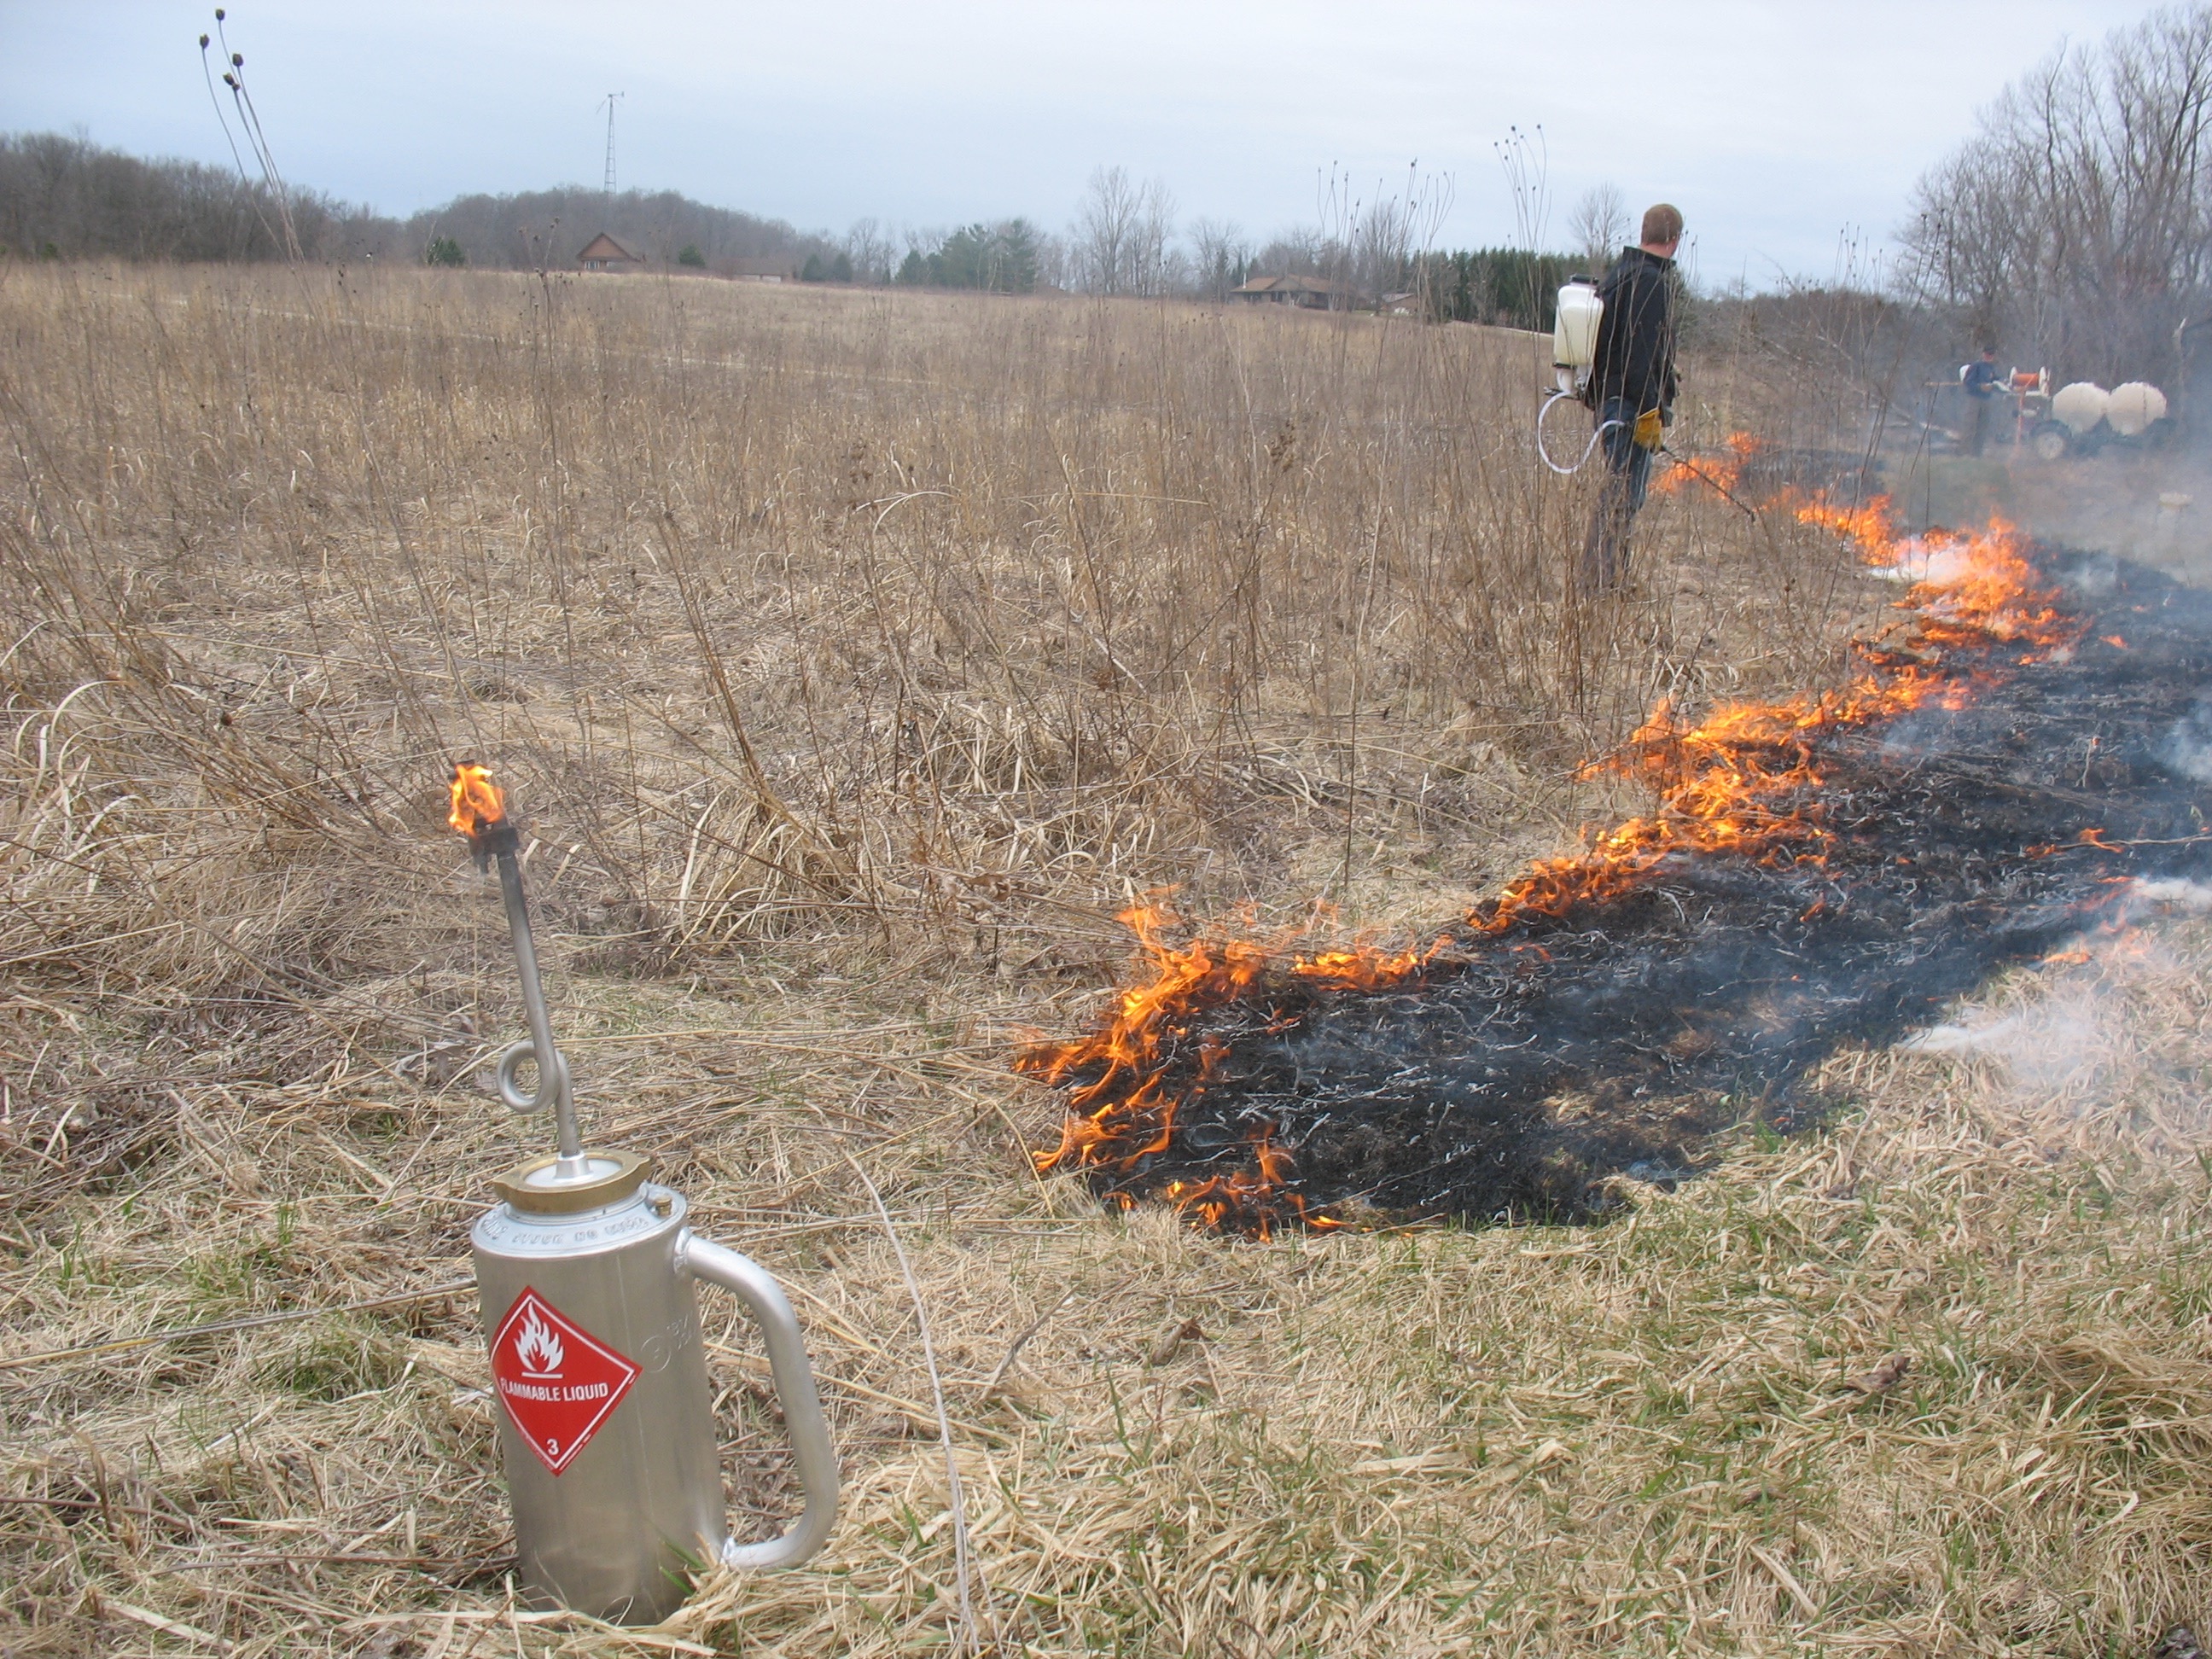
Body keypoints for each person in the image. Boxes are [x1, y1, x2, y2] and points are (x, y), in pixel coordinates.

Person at [1580, 203, 1684, 595]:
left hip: (1612, 402)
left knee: (1619, 494)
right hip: (1629, 407)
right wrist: (1652, 410)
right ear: (1675, 240)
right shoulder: (1650, 283)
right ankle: (1602, 584)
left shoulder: (1619, 276)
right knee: (1624, 495)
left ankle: (1605, 578)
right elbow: (1644, 354)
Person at [1962, 345, 2000, 455]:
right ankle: (1965, 452)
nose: (1989, 356)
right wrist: (1980, 387)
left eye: (1991, 354)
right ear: (1983, 354)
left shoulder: (1991, 368)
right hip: (1974, 399)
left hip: (1986, 400)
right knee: (1970, 425)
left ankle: (1977, 453)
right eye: (1988, 354)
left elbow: (1997, 382)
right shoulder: (1976, 366)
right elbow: (1968, 382)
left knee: (1983, 427)